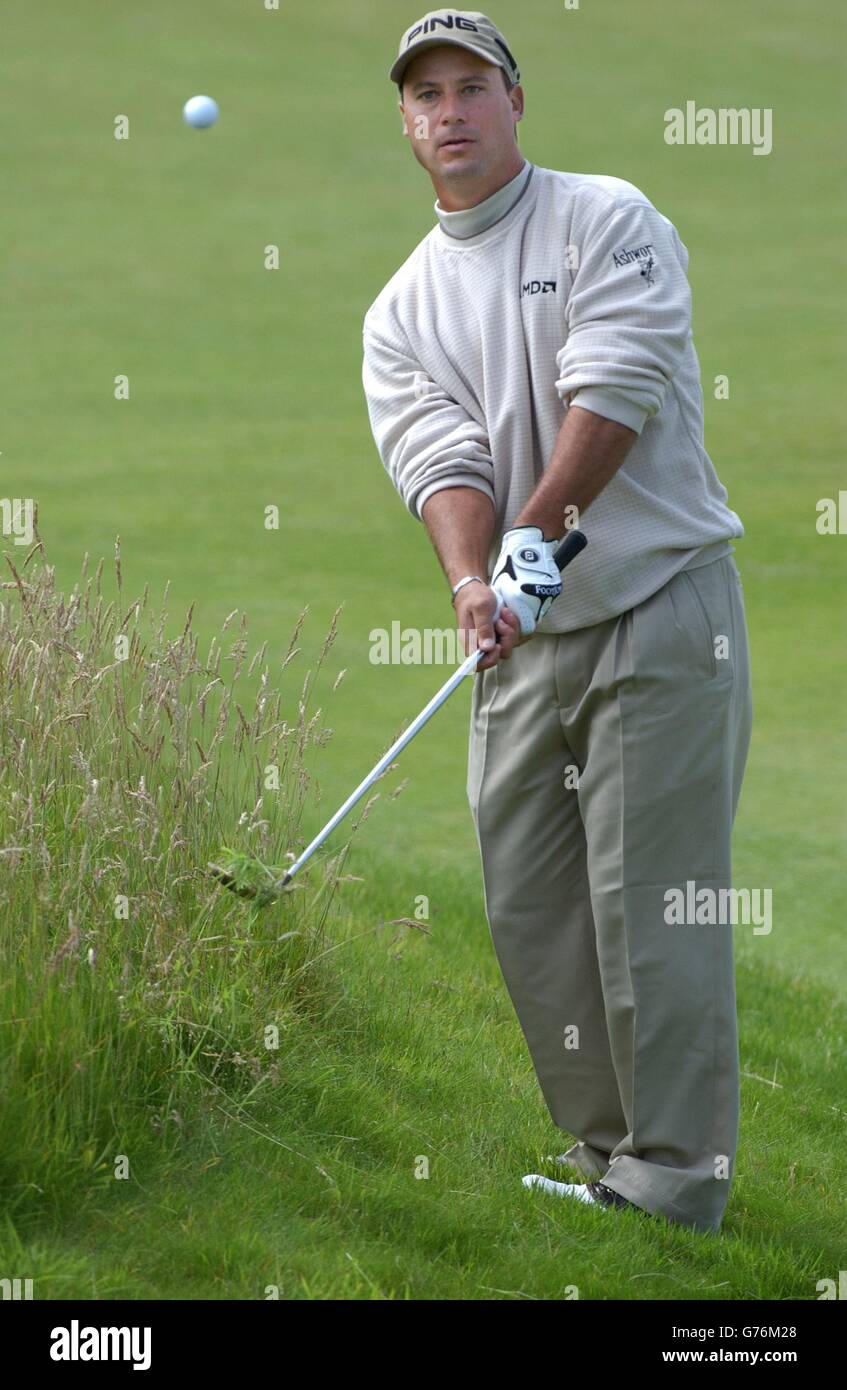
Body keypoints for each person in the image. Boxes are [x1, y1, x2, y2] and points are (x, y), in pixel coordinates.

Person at [361, 9, 752, 1233]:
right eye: (426, 96)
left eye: (471, 86)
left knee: (650, 899)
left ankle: (675, 1180)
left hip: (654, 602)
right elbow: (440, 457)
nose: (450, 112)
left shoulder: (604, 217)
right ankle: (605, 1162)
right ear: (407, 125)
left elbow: (617, 382)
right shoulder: (401, 308)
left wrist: (539, 533)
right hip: (521, 633)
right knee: (533, 904)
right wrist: (478, 579)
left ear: (514, 101)